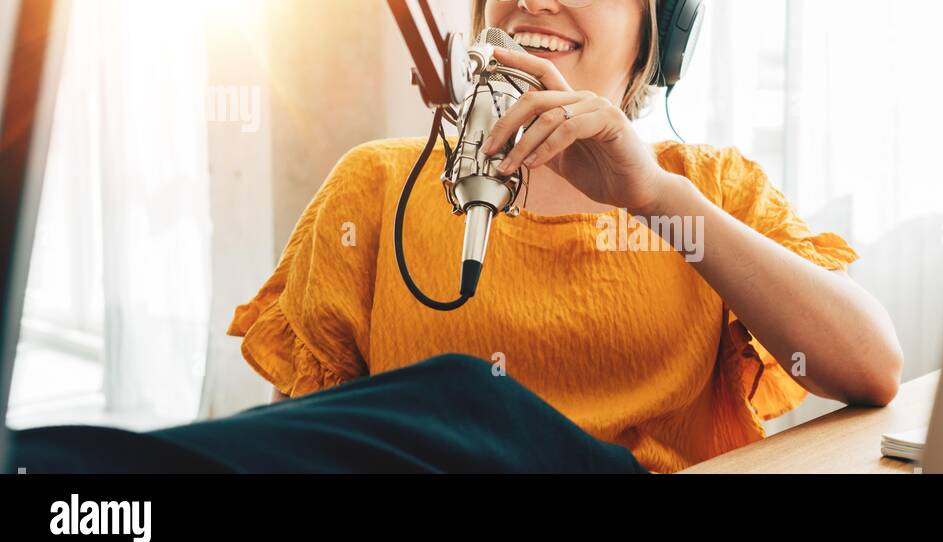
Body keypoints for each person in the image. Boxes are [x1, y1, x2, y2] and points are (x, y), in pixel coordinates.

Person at [226, 0, 904, 474]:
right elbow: (301, 445)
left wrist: (655, 199)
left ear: (659, 28)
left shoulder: (709, 189)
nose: (533, 2)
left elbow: (870, 369)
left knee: (468, 392)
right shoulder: (377, 183)